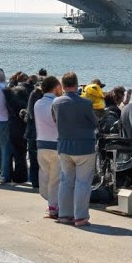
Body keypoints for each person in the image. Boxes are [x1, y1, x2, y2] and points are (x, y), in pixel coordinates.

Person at [51, 72, 99, 226]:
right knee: (82, 183)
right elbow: (94, 123)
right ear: (77, 84)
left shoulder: (56, 102)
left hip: (64, 146)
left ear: (62, 86)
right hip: (84, 146)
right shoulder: (85, 103)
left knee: (66, 181)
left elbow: (54, 120)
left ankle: (64, 214)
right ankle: (80, 217)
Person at [33, 75, 63, 219]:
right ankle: (53, 206)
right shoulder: (57, 103)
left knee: (45, 175)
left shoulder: (38, 103)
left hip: (41, 143)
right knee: (55, 178)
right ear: (56, 87)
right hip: (56, 144)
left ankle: (49, 201)